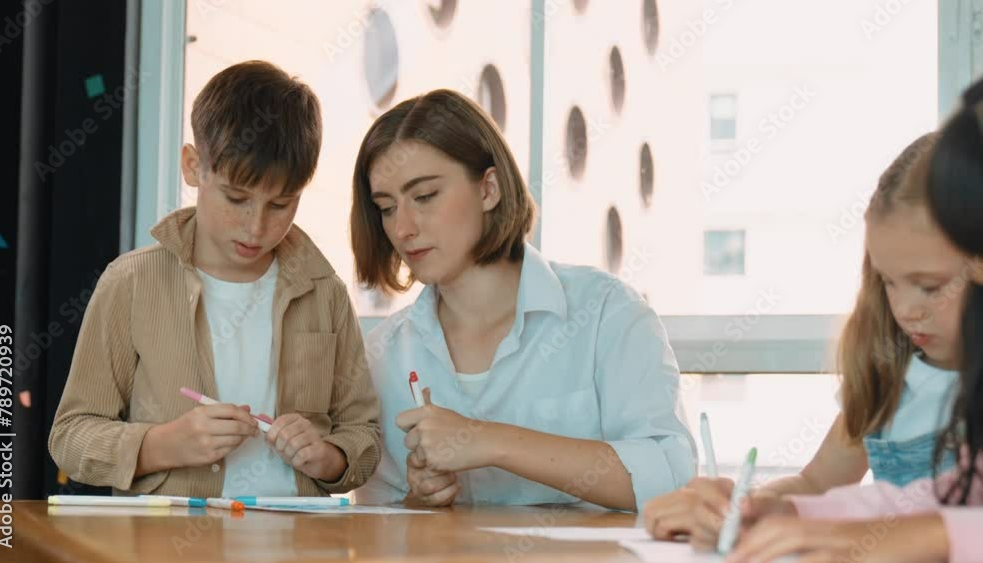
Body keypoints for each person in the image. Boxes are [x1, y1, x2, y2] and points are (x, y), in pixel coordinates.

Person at [350, 89, 695, 511]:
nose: (402, 228)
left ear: (489, 189)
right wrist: (418, 500)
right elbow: (375, 521)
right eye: (386, 208)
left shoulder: (607, 314)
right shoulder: (384, 355)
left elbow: (671, 476)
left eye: (424, 197)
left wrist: (490, 440)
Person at [49, 60, 382, 497]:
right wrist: (162, 445)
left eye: (280, 204)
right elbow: (70, 437)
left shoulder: (326, 293)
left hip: (302, 544)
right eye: (236, 198)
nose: (256, 227)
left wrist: (329, 458)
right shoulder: (131, 283)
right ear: (193, 166)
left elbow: (365, 434)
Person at [645, 132, 962, 540]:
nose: (905, 310)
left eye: (930, 286)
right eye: (888, 282)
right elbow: (817, 485)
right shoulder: (889, 378)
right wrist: (747, 506)